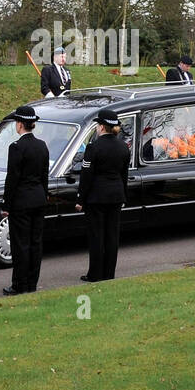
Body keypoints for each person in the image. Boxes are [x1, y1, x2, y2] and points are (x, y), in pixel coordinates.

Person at [1, 105, 50, 295]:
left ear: (20, 124)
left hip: (21, 201)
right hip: (38, 198)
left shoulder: (16, 147)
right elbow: (44, 175)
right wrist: (43, 195)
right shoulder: (42, 146)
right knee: (36, 242)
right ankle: (32, 282)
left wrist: (7, 204)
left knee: (21, 244)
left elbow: (12, 178)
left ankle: (20, 284)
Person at [77, 108, 129, 281]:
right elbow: (124, 174)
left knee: (96, 236)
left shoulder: (94, 147)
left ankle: (95, 273)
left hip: (97, 197)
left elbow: (86, 175)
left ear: (101, 127)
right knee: (112, 236)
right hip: (116, 195)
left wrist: (80, 198)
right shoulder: (123, 147)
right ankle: (109, 273)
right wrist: (123, 195)